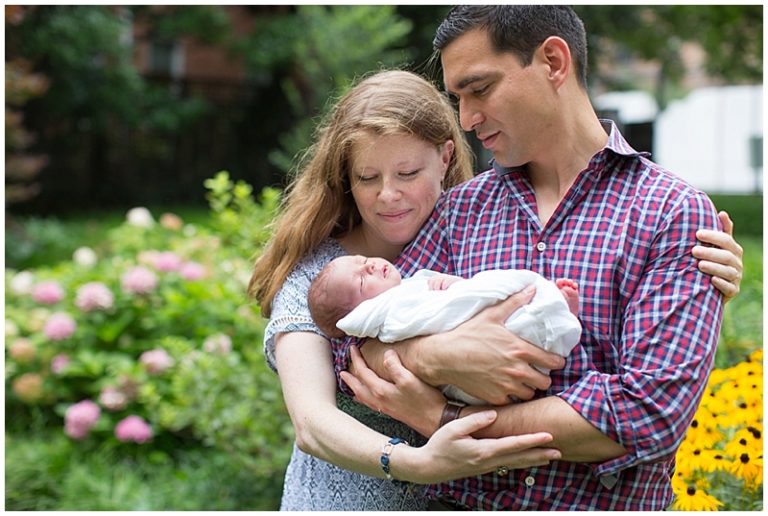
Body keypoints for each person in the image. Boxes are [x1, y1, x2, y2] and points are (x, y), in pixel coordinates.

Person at [333, 5, 744, 511]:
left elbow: (648, 415)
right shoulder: (462, 208)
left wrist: (445, 419)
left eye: (479, 90)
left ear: (553, 61)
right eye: (457, 98)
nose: (465, 119)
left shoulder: (670, 214)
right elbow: (350, 349)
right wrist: (440, 355)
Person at [248, 70, 566, 511]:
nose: (388, 195)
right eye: (367, 177)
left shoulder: (478, 248)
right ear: (346, 178)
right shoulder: (317, 277)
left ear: (445, 157)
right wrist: (416, 462)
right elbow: (313, 423)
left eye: (407, 172)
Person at [308, 254, 580, 406]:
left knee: (484, 294)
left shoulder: (409, 283)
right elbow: (432, 318)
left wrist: (450, 285)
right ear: (360, 314)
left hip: (491, 358)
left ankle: (551, 311)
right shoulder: (388, 315)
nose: (368, 265)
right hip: (474, 373)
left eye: (362, 259)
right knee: (492, 302)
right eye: (361, 281)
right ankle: (549, 311)